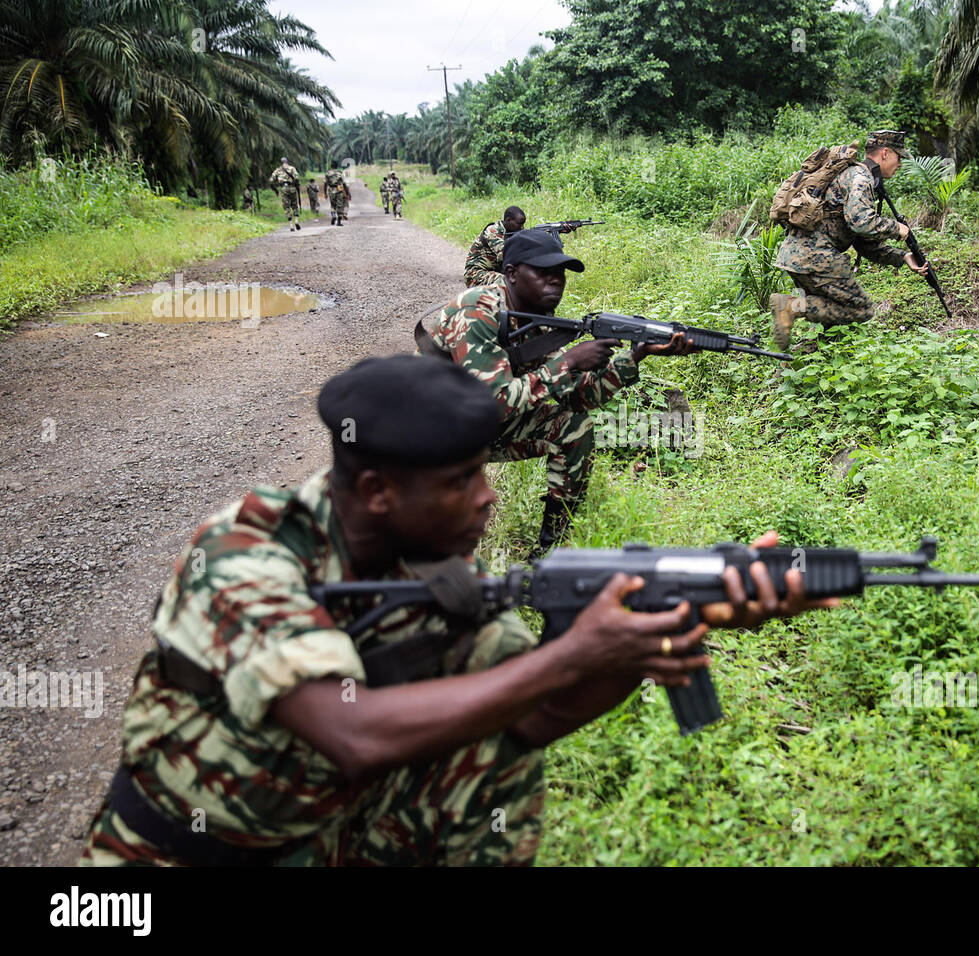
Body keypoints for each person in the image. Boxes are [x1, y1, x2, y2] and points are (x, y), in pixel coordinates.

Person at [78, 355, 834, 866]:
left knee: (498, 759)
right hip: (189, 848)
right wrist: (574, 654)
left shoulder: (434, 565)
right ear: (378, 491)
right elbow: (353, 736)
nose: (488, 496)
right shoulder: (245, 553)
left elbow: (532, 715)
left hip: (328, 830)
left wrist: (651, 635)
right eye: (462, 479)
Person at [421, 229, 694, 557]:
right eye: (542, 272)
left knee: (574, 428)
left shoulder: (538, 322)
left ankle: (551, 552)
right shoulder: (479, 309)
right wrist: (568, 361)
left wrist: (637, 355)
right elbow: (490, 405)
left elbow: (580, 398)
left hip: (476, 428)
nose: (555, 282)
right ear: (511, 274)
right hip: (432, 431)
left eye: (559, 274)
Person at [770, 130, 931, 350]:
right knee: (860, 309)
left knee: (836, 327)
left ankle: (797, 364)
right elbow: (861, 222)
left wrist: (903, 257)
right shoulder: (860, 177)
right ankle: (789, 306)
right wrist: (897, 228)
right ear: (885, 153)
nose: (900, 163)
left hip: (796, 257)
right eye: (899, 157)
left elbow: (864, 243)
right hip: (817, 259)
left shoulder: (851, 175)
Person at [464, 206, 527, 288]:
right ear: (508, 220)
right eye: (519, 224)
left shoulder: (511, 232)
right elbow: (506, 255)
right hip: (475, 275)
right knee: (508, 281)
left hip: (492, 272)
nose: (522, 228)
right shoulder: (493, 231)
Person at [269, 156, 301, 231]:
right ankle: (296, 221)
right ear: (287, 162)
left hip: (284, 189)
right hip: (292, 188)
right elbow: (296, 177)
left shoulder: (278, 170)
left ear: (281, 163)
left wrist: (275, 189)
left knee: (286, 207)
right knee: (295, 205)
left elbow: (271, 180)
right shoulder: (292, 168)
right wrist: (295, 184)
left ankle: (291, 225)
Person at [324, 161, 348, 226]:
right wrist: (347, 193)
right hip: (339, 190)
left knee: (333, 205)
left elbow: (325, 184)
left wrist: (325, 193)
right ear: (337, 166)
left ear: (331, 166)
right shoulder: (340, 173)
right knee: (339, 205)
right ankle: (339, 222)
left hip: (331, 190)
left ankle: (333, 215)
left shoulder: (327, 173)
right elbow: (344, 184)